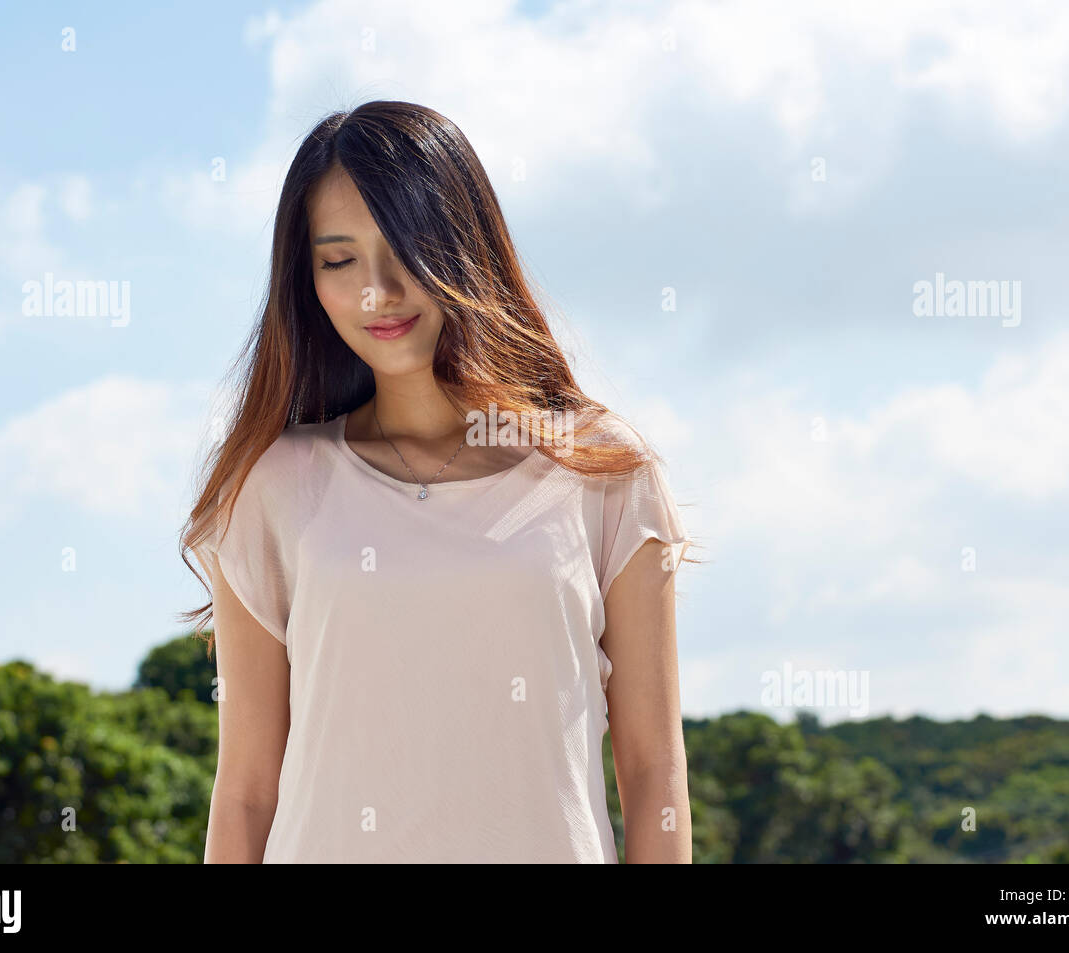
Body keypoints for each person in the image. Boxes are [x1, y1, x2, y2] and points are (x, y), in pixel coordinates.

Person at [181, 100, 696, 863]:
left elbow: (654, 771)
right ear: (306, 278)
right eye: (338, 259)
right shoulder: (273, 485)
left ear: (465, 248)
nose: (376, 291)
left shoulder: (600, 470)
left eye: (405, 249)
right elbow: (248, 790)